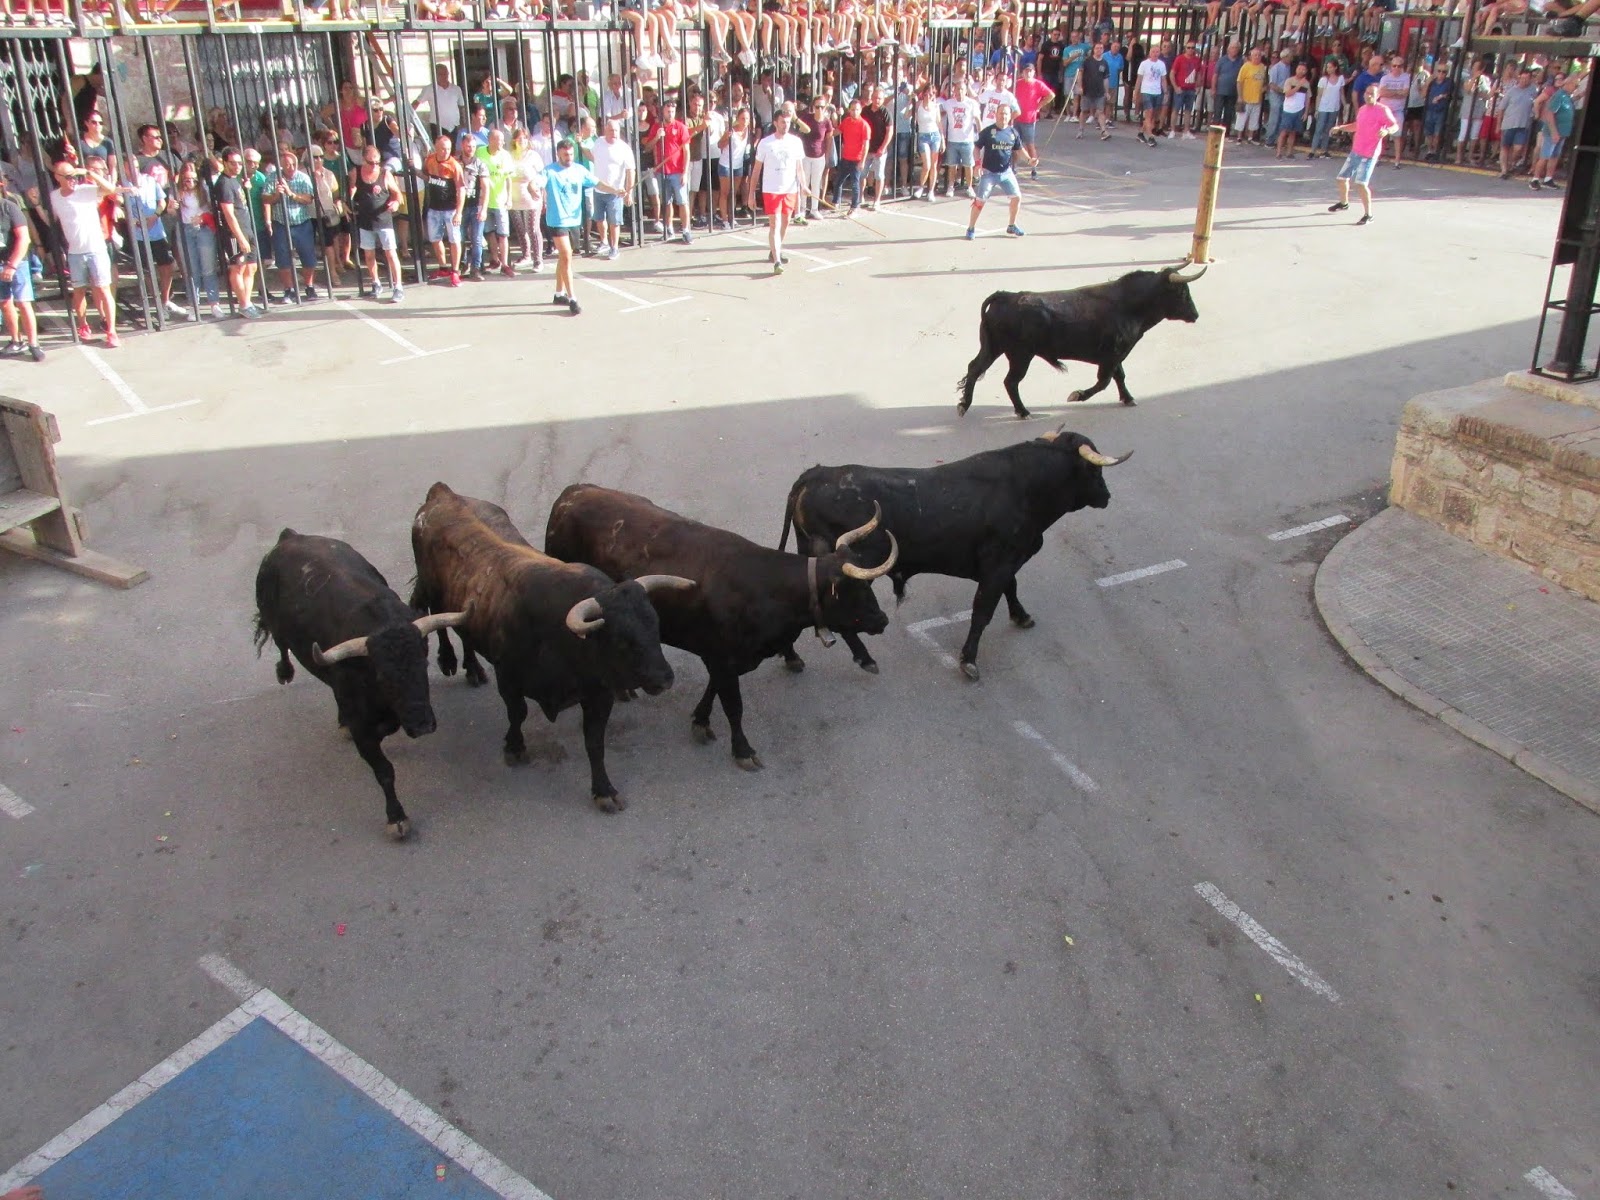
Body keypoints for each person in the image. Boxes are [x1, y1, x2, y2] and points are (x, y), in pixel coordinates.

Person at [52, 156, 124, 342]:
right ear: (57, 177)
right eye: (67, 176)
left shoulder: (85, 190)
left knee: (103, 288)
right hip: (75, 251)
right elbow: (49, 218)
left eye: (73, 175)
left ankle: (111, 329)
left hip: (96, 248)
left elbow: (109, 189)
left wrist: (90, 173)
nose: (72, 179)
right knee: (79, 290)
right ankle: (83, 324)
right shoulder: (54, 197)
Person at [1328, 83, 1399, 225]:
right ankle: (1344, 203)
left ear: (1378, 96)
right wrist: (1341, 128)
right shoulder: (1362, 109)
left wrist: (1387, 131)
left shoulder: (1383, 110)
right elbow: (1356, 125)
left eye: (1372, 93)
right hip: (1356, 151)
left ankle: (1368, 214)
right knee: (1341, 178)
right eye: (1367, 93)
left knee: (1361, 183)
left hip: (1370, 153)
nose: (1368, 96)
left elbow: (1395, 125)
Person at [746, 108, 805, 273]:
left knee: (785, 223)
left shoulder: (796, 142)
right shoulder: (765, 143)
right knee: (775, 223)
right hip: (771, 190)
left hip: (790, 189)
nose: (785, 125)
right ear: (775, 123)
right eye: (782, 122)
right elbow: (756, 170)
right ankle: (777, 261)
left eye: (788, 122)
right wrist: (751, 194)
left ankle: (775, 251)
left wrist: (804, 185)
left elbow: (799, 168)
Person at [543, 138, 596, 315]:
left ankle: (558, 293)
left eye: (571, 154)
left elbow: (597, 182)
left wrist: (616, 190)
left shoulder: (579, 170)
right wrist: (533, 189)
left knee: (565, 257)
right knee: (566, 254)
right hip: (557, 220)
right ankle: (572, 299)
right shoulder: (550, 171)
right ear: (558, 153)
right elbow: (535, 183)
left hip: (574, 220)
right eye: (566, 154)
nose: (569, 157)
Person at [350, 142, 404, 301]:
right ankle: (375, 282)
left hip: (383, 220)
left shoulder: (384, 174)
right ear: (363, 160)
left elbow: (398, 195)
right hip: (365, 221)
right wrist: (350, 196)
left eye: (377, 162)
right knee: (369, 254)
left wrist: (395, 203)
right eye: (370, 162)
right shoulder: (356, 172)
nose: (374, 165)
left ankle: (398, 286)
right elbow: (352, 189)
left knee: (391, 253)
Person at [264, 149, 318, 302]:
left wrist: (290, 193)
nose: (291, 167)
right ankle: (289, 289)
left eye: (293, 164)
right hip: (281, 223)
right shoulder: (273, 178)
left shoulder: (303, 178)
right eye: (287, 165)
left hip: (301, 223)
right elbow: (265, 199)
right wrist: (276, 195)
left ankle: (309, 286)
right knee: (283, 259)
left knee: (308, 257)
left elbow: (308, 199)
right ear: (281, 165)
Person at [965, 102, 1023, 239]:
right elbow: (977, 148)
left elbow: (1019, 150)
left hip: (1006, 172)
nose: (1003, 116)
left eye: (1006, 114)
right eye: (1001, 113)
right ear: (996, 114)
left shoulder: (1013, 133)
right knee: (980, 201)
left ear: (1010, 116)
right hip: (989, 173)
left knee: (1017, 197)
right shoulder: (988, 131)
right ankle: (971, 228)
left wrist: (1030, 160)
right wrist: (977, 164)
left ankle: (1012, 225)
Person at [0, 175, 42, 361]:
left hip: (17, 262)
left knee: (23, 302)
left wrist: (12, 265)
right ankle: (16, 340)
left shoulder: (9, 207)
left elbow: (24, 238)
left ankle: (34, 343)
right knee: (4, 302)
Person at [174, 158, 222, 318]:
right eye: (187, 179)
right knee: (191, 270)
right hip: (186, 229)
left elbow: (215, 209)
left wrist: (203, 217)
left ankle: (214, 303)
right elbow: (172, 213)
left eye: (193, 179)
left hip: (204, 229)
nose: (190, 182)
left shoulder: (205, 189)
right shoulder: (176, 191)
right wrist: (174, 204)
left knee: (208, 268)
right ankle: (194, 306)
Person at [422, 133, 465, 285]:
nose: (445, 152)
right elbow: (427, 177)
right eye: (442, 149)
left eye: (448, 149)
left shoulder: (455, 166)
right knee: (435, 238)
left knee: (454, 239)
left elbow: (461, 189)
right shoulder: (430, 160)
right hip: (434, 208)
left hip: (450, 209)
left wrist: (458, 212)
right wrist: (413, 169)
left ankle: (455, 271)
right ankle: (443, 267)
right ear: (436, 147)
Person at [590, 114, 635, 259]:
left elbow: (630, 170)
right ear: (605, 130)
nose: (614, 133)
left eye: (616, 130)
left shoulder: (624, 148)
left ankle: (614, 247)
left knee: (614, 221)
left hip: (616, 191)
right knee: (599, 218)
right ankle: (604, 241)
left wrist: (629, 192)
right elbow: (591, 156)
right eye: (611, 130)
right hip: (598, 188)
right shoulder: (598, 142)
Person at [650, 98, 692, 243]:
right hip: (662, 170)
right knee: (666, 202)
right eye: (668, 111)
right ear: (663, 111)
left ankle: (686, 230)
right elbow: (648, 147)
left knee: (682, 201)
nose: (670, 113)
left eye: (673, 111)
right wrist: (657, 137)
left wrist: (685, 172)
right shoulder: (657, 127)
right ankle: (669, 228)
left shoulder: (681, 127)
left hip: (677, 170)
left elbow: (686, 151)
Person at [475, 127, 515, 276]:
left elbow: (508, 179)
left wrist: (509, 198)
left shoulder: (505, 156)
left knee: (503, 233)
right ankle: (495, 259)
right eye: (499, 139)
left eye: (503, 140)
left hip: (500, 201)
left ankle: (505, 264)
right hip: (485, 201)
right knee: (489, 232)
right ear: (490, 140)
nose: (502, 142)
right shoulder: (479, 153)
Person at [1531, 72, 1578, 190]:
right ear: (1568, 84)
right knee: (1545, 156)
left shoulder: (1567, 97)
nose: (1575, 87)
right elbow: (1550, 113)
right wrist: (1554, 132)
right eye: (1574, 85)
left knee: (1555, 156)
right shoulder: (1559, 96)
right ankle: (1535, 179)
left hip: (1562, 133)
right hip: (1553, 133)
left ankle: (1548, 178)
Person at [507, 127, 545, 270]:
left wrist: (541, 193)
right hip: (514, 198)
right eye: (518, 138)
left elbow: (542, 175)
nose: (521, 140)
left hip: (531, 197)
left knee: (533, 228)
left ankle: (538, 259)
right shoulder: (509, 155)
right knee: (520, 229)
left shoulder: (533, 156)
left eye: (524, 138)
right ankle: (526, 255)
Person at [1498, 66, 1539, 180]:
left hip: (1523, 124)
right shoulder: (1512, 91)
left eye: (1527, 78)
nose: (1524, 80)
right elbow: (1501, 108)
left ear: (1530, 79)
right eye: (1522, 78)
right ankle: (1504, 170)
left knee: (1518, 148)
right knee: (1505, 146)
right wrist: (1498, 124)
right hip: (1509, 123)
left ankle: (1511, 163)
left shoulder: (1533, 90)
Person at [1012, 63, 1054, 171]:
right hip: (1016, 119)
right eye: (1026, 71)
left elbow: (1051, 95)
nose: (1028, 73)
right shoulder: (1017, 84)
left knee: (1030, 145)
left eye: (1030, 71)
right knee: (1015, 145)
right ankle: (1013, 167)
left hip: (1029, 120)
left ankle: (1034, 169)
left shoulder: (1038, 84)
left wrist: (1039, 106)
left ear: (1034, 72)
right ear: (1022, 73)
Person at [940, 82, 980, 197]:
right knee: (952, 165)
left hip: (967, 140)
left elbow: (977, 119)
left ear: (965, 90)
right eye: (957, 89)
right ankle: (950, 186)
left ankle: (969, 187)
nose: (959, 92)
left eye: (961, 89)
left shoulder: (971, 103)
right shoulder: (949, 103)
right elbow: (938, 111)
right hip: (953, 140)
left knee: (968, 165)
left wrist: (981, 135)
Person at [833, 96, 870, 214]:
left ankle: (854, 207)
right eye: (853, 109)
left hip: (856, 159)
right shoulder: (846, 121)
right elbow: (837, 131)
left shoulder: (864, 125)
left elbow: (866, 144)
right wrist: (827, 133)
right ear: (849, 110)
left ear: (861, 110)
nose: (855, 112)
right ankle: (836, 202)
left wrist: (862, 161)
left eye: (857, 109)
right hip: (846, 157)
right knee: (839, 180)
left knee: (855, 184)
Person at [414, 63, 466, 142]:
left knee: (454, 152)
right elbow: (417, 102)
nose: (444, 76)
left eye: (446, 73)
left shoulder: (456, 89)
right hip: (437, 127)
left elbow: (461, 106)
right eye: (441, 74)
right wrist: (406, 114)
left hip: (454, 126)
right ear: (435, 75)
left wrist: (463, 124)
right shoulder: (429, 89)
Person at [1376, 53, 1411, 168]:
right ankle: (1377, 157)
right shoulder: (1385, 78)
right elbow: (1382, 93)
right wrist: (1397, 93)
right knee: (1381, 135)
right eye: (1394, 65)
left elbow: (1405, 93)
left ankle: (1397, 161)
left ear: (1403, 67)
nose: (1396, 68)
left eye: (1399, 66)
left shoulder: (1406, 77)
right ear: (1391, 66)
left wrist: (1390, 92)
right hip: (1385, 110)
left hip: (1397, 110)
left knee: (1397, 135)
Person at [1078, 41, 1113, 141]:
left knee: (1101, 111)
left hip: (1099, 91)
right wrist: (1080, 86)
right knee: (1084, 111)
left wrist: (1106, 92)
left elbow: (1105, 79)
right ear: (1093, 49)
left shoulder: (1104, 63)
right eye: (1097, 48)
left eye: (1101, 48)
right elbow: (1080, 73)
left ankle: (1103, 131)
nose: (1099, 50)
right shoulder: (1087, 61)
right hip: (1087, 90)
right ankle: (1081, 129)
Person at [1310, 59, 1345, 159]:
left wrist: (1344, 105)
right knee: (1319, 128)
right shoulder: (1323, 80)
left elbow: (1341, 93)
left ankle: (1324, 150)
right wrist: (1317, 109)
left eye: (1330, 67)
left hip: (1334, 107)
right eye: (1327, 67)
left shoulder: (1340, 78)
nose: (1328, 69)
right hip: (1323, 107)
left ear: (1335, 67)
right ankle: (1313, 150)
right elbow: (1319, 95)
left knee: (1328, 129)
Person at [1276, 61, 1311, 157]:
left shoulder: (1307, 84)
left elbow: (1307, 98)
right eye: (1299, 69)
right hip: (1288, 110)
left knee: (1293, 132)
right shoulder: (1289, 81)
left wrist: (1306, 112)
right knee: (1284, 131)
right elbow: (1287, 94)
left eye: (1303, 70)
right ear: (1296, 69)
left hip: (1299, 110)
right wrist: (1299, 85)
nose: (1301, 71)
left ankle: (1289, 152)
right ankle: (1278, 152)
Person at [1233, 46, 1266, 144]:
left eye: (1259, 55)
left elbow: (1264, 82)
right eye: (1255, 55)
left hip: (1257, 98)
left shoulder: (1262, 67)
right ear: (1251, 56)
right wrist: (1240, 96)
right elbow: (1239, 81)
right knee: (1242, 117)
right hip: (1246, 97)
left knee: (1254, 119)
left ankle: (1250, 137)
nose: (1257, 57)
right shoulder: (1246, 66)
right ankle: (1239, 137)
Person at [1135, 45, 1167, 146]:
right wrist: (1136, 92)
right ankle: (1150, 136)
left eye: (1157, 52)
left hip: (1157, 92)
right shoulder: (1144, 64)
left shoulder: (1161, 64)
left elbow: (1163, 79)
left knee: (1153, 116)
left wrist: (1165, 92)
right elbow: (1139, 79)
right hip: (1146, 91)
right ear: (1149, 52)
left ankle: (1141, 133)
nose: (1155, 54)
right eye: (1153, 51)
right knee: (1149, 112)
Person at [1170, 39, 1201, 138]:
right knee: (1176, 109)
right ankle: (1172, 130)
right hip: (1181, 88)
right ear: (1185, 49)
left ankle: (1186, 131)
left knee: (1188, 111)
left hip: (1191, 88)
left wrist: (1198, 85)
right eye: (1189, 48)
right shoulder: (1179, 59)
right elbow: (1172, 73)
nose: (1191, 50)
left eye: (1193, 48)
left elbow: (1199, 74)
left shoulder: (1197, 60)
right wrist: (1175, 87)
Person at [1213, 40, 1243, 132]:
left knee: (1229, 113)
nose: (1234, 50)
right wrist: (1213, 88)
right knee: (1217, 111)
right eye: (1233, 48)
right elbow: (1215, 75)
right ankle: (1215, 132)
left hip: (1233, 92)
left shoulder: (1241, 61)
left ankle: (1226, 132)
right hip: (1220, 91)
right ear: (1228, 49)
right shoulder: (1222, 60)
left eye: (1236, 48)